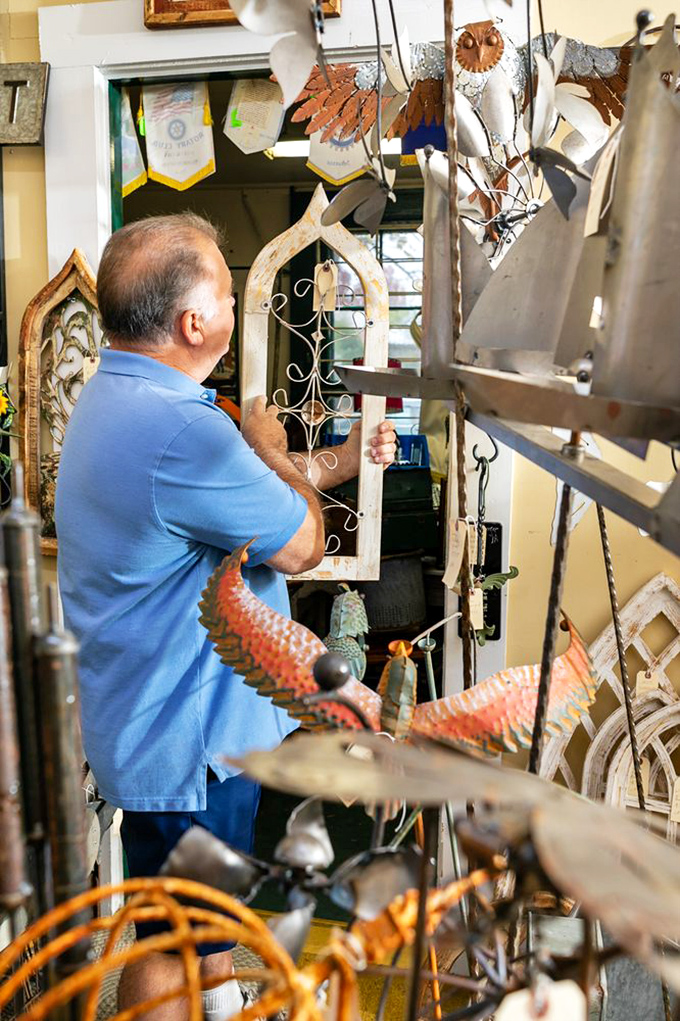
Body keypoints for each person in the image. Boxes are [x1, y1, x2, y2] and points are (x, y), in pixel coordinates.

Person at [54, 213, 396, 1021]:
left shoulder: (118, 397)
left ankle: (219, 1000)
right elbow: (302, 543)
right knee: (173, 939)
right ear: (192, 322)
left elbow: (234, 493)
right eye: (227, 291)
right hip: (187, 749)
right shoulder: (186, 431)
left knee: (193, 925)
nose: (237, 307)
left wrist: (341, 458)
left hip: (150, 724)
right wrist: (266, 440)